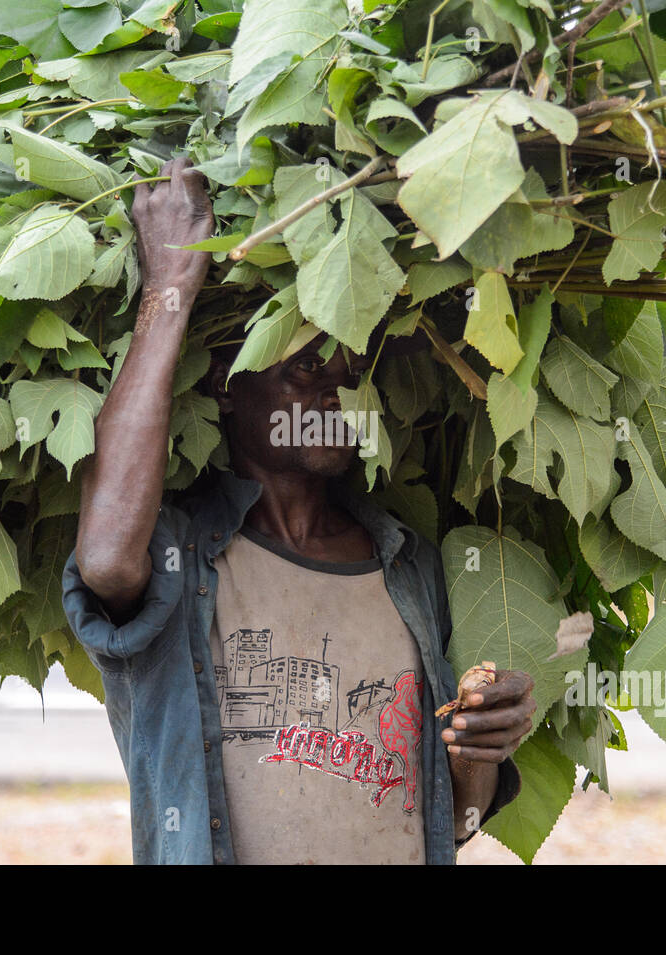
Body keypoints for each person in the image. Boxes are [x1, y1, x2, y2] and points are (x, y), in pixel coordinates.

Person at [63, 157, 537, 865]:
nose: (335, 397)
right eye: (306, 370)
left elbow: (454, 820)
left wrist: (480, 747)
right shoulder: (182, 554)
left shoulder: (407, 565)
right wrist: (168, 286)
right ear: (226, 385)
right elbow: (102, 560)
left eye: (351, 374)